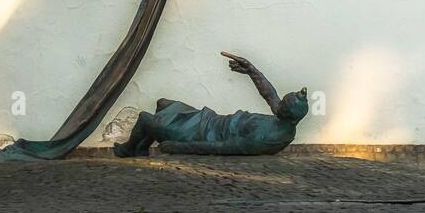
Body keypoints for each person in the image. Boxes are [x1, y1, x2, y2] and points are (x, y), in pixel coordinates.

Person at [113, 52, 308, 157]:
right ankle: (141, 149)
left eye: (283, 103)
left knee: (144, 118)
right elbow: (269, 94)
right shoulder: (283, 120)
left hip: (198, 133)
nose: (278, 103)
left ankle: (130, 148)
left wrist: (177, 147)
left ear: (288, 113)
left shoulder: (266, 139)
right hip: (210, 120)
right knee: (163, 103)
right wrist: (251, 70)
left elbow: (222, 147)